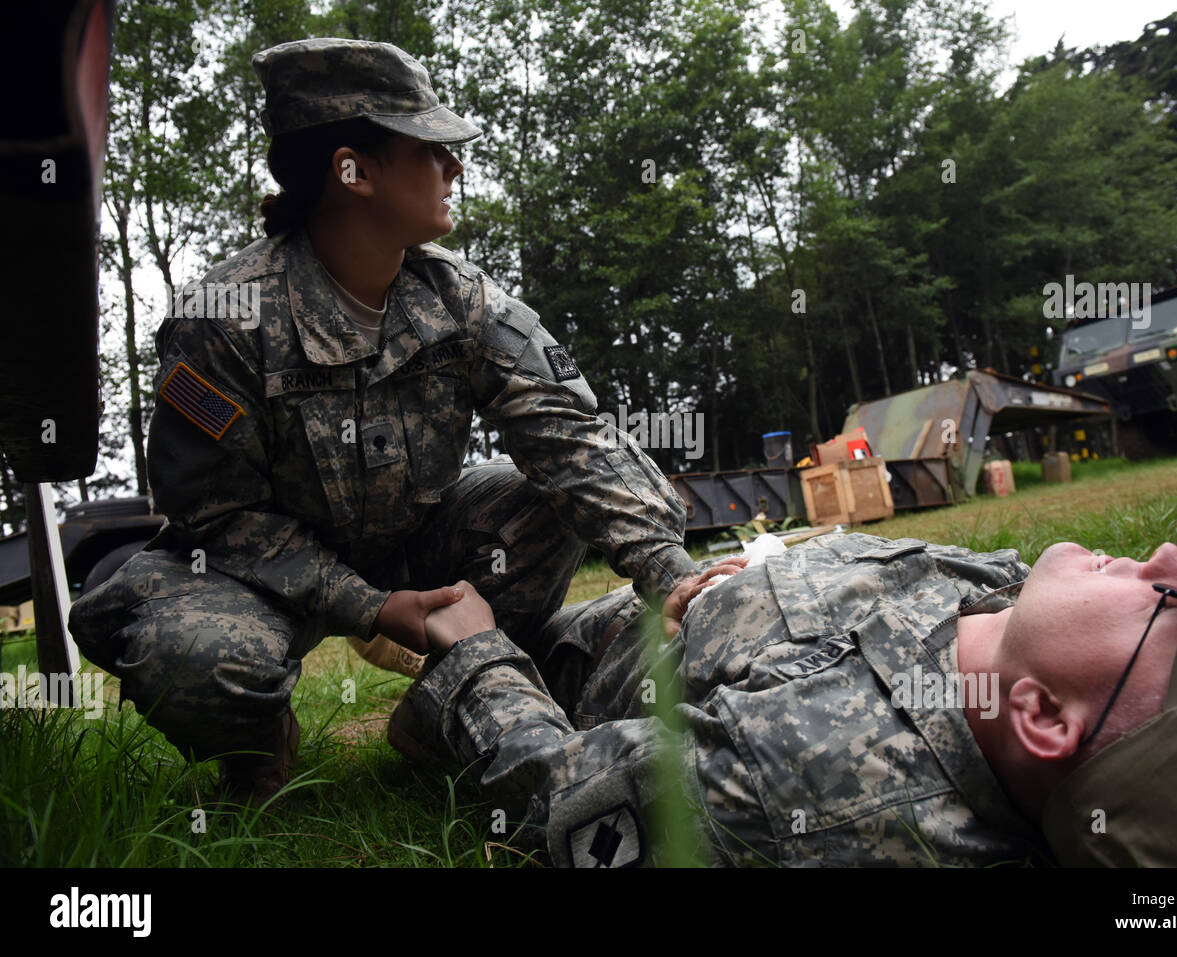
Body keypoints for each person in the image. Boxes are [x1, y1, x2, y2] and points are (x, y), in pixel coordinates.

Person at [68, 37, 712, 803]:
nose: (455, 168)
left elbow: (570, 435)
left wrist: (673, 570)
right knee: (202, 659)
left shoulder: (457, 298)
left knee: (538, 499)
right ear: (354, 170)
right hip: (258, 580)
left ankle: (448, 701)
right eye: (431, 150)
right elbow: (217, 517)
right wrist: (369, 608)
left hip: (411, 544)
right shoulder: (225, 319)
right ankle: (257, 740)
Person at [387, 532, 1177, 866]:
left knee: (430, 611)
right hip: (674, 603)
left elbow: (550, 793)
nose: (1176, 562)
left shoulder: (804, 787)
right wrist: (773, 568)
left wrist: (476, 656)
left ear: (1047, 720)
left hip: (568, 666)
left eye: (1174, 607)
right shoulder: (1040, 649)